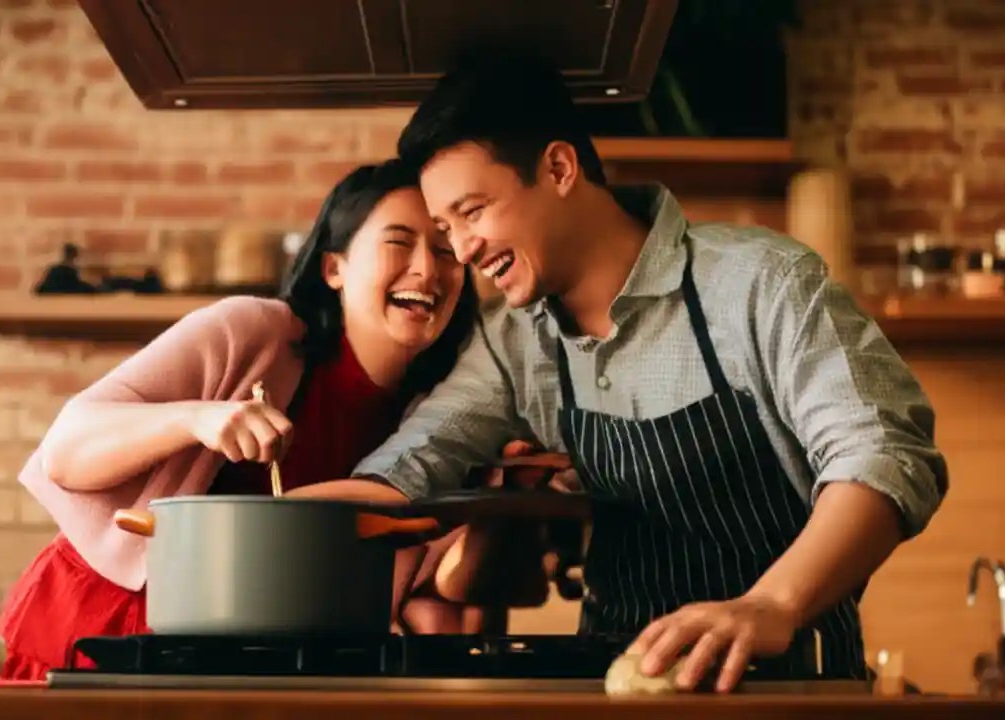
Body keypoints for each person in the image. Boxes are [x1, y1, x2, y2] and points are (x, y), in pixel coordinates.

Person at [327, 51, 949, 692]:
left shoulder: (760, 282)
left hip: (791, 690)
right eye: (444, 227)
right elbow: (409, 468)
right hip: (616, 690)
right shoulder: (514, 340)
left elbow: (883, 453)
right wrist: (251, 517)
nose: (460, 249)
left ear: (560, 168)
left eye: (474, 211)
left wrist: (773, 605)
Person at [0, 159, 477, 682]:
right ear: (333, 268)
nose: (428, 269)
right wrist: (198, 418)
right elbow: (64, 453)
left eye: (447, 248)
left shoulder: (442, 413)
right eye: (399, 242)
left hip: (251, 672)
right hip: (93, 634)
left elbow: (433, 588)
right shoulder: (251, 331)